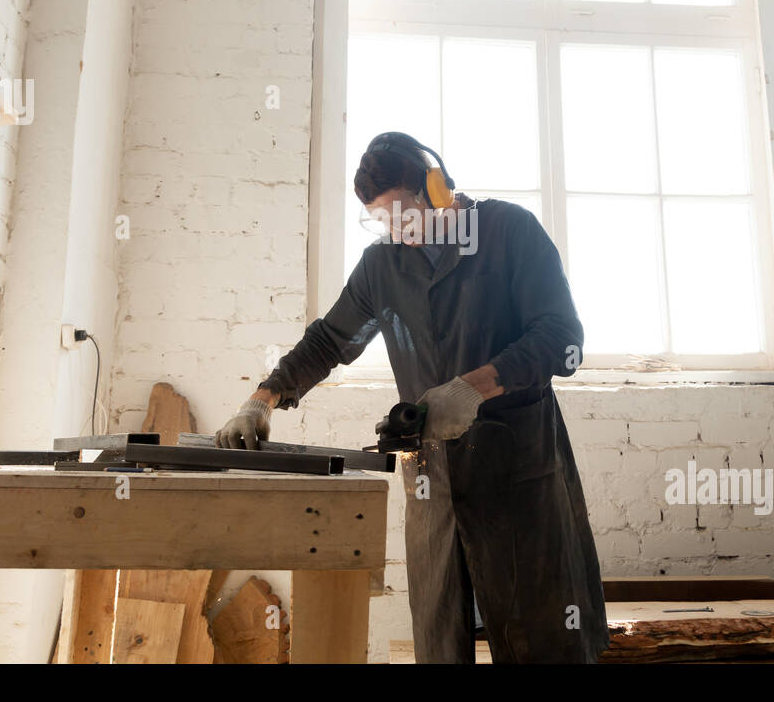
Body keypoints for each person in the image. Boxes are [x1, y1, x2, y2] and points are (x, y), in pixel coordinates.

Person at [215, 131, 608, 663]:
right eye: (383, 222)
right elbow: (329, 339)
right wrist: (263, 397)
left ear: (437, 188)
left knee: (542, 638)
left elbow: (562, 337)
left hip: (519, 477)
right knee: (442, 641)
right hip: (433, 484)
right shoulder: (383, 266)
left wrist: (474, 387)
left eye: (403, 215)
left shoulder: (507, 231)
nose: (398, 233)